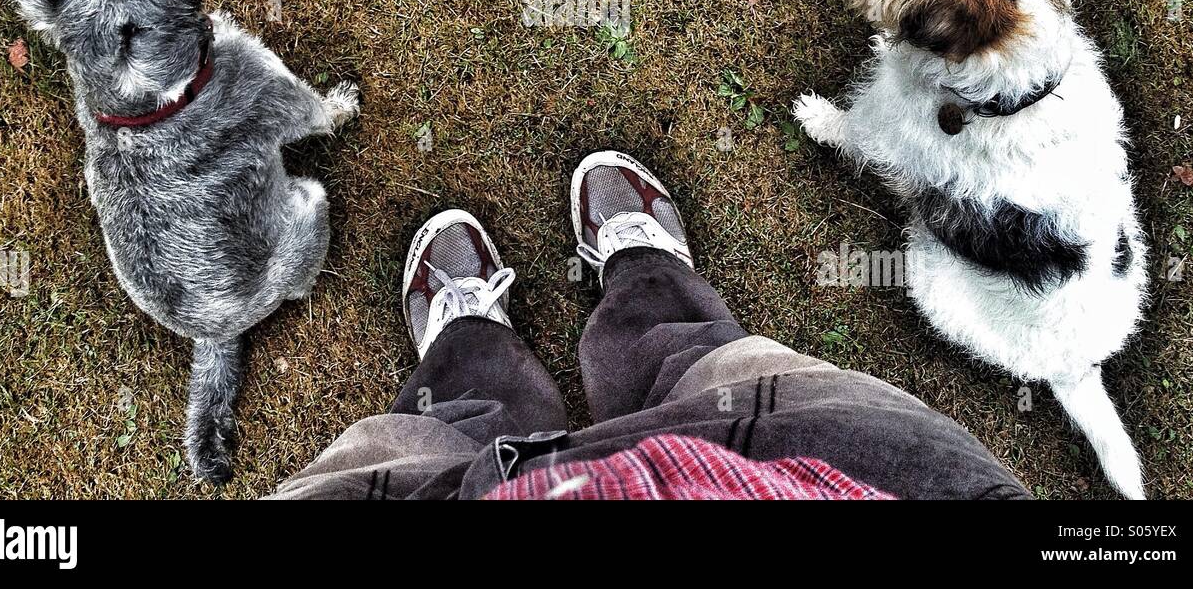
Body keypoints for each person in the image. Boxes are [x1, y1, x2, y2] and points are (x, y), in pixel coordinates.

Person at [270, 151, 1031, 500]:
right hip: (823, 473)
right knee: (708, 370)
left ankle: (469, 348)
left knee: (428, 439)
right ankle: (647, 280)